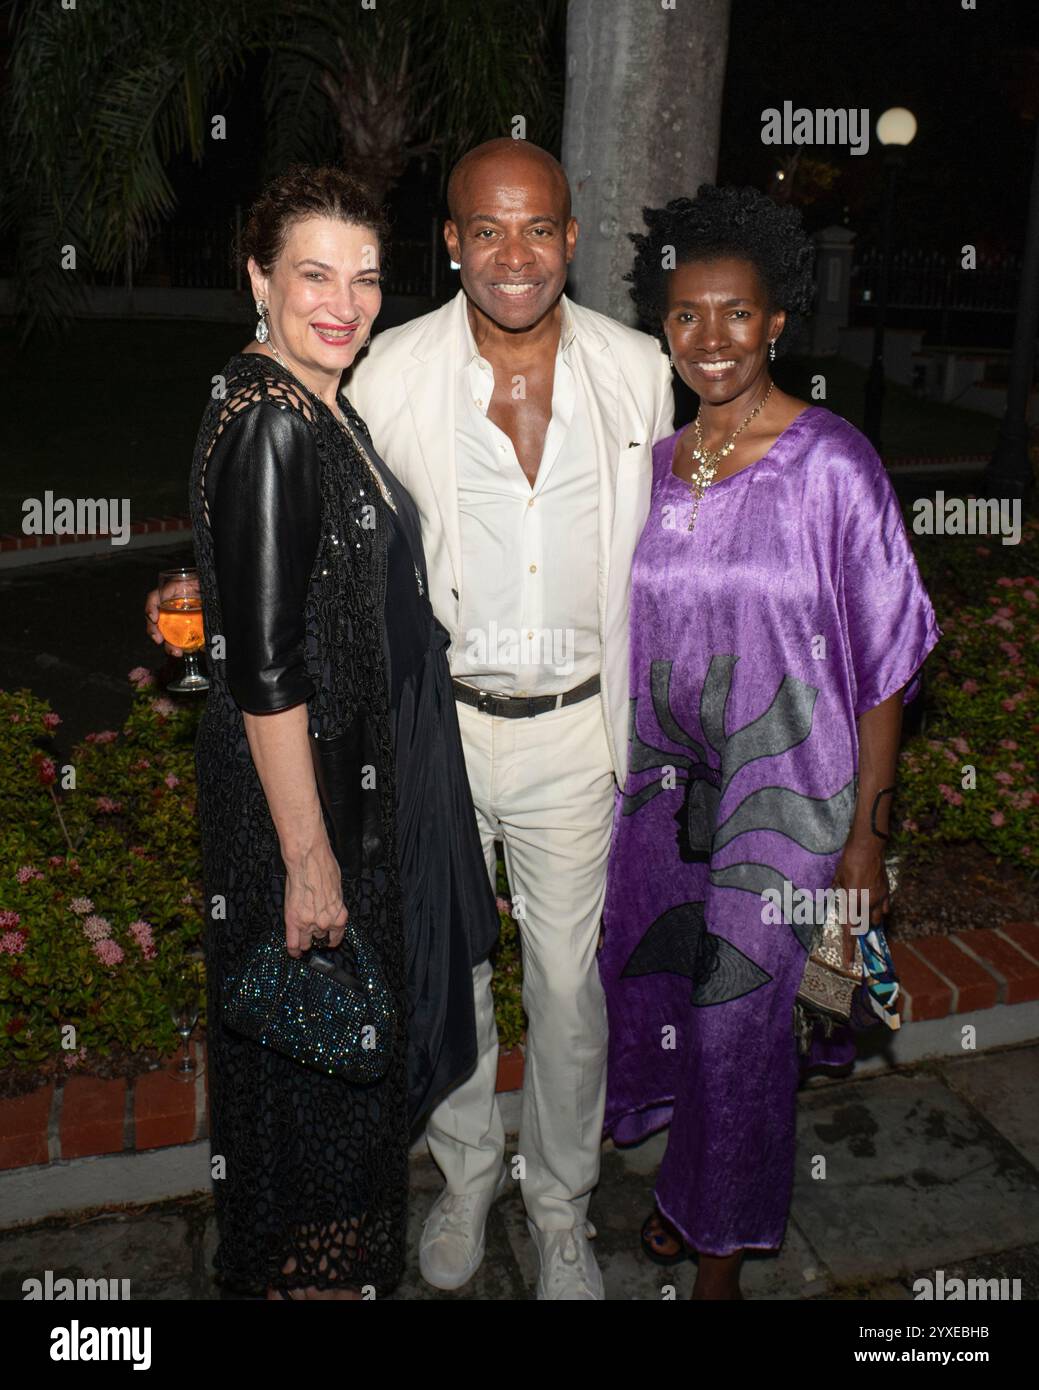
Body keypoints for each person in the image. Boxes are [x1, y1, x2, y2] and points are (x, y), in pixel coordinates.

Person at [152, 165, 498, 1300]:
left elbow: (273, 588)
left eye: (363, 278)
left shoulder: (308, 398)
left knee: (324, 1090)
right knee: (317, 1117)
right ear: (258, 276)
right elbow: (264, 669)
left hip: (335, 789)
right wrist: (310, 863)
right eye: (313, 274)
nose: (343, 301)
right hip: (302, 814)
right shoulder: (274, 424)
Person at [345, 138, 674, 1298]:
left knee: (569, 985)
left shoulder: (637, 371)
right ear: (450, 242)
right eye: (486, 230)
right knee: (447, 970)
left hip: (575, 734)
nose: (514, 255)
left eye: (537, 228)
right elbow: (342, 545)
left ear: (572, 239)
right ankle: (467, 1171)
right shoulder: (390, 373)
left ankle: (561, 1202)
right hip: (440, 728)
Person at [598, 185, 940, 1299]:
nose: (710, 338)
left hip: (790, 811)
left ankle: (721, 1254)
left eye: (734, 313)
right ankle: (686, 1194)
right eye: (687, 314)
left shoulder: (834, 465)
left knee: (742, 1029)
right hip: (660, 808)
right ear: (664, 324)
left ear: (777, 319)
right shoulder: (646, 471)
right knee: (675, 1010)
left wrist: (863, 845)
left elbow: (884, 661)